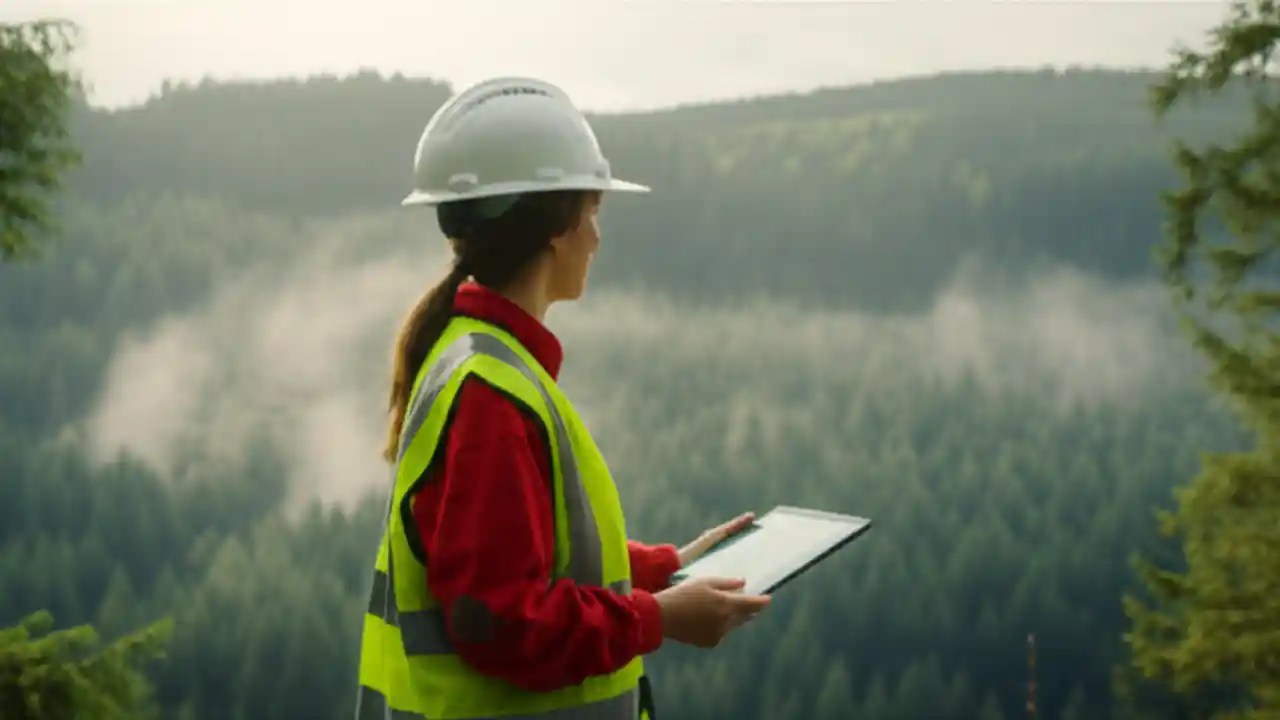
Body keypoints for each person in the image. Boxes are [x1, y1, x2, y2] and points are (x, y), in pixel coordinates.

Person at [353, 77, 771, 720]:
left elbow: (528, 552)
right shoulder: (491, 396)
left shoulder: (481, 359)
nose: (598, 238)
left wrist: (664, 567)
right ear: (557, 226)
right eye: (593, 212)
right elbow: (502, 618)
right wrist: (656, 620)